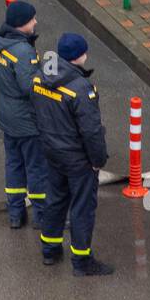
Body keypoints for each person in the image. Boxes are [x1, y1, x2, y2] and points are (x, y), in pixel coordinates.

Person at [31, 33, 113, 276]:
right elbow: (91, 131)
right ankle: (82, 262)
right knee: (82, 208)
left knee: (55, 200)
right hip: (78, 160)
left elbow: (35, 113)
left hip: (52, 152)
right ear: (80, 56)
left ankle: (50, 249)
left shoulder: (40, 76)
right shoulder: (80, 89)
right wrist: (98, 160)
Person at [0, 0, 48, 229]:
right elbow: (29, 87)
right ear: (22, 24)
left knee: (13, 163)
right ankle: (42, 217)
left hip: (5, 112)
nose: (36, 21)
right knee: (36, 167)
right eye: (32, 18)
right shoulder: (23, 51)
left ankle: (15, 214)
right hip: (25, 119)